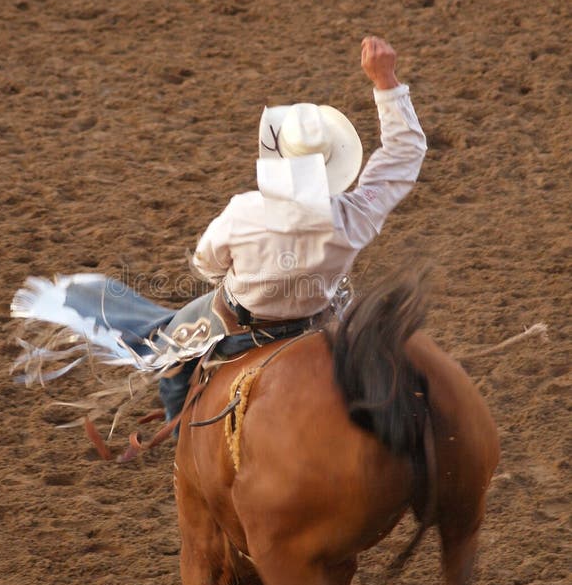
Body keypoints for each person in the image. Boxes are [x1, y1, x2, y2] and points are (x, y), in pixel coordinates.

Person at [158, 35, 427, 420]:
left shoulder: (243, 212)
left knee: (171, 361)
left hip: (242, 330)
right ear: (334, 161)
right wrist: (386, 80)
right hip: (320, 325)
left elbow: (206, 263)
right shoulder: (355, 216)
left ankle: (180, 434)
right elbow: (405, 154)